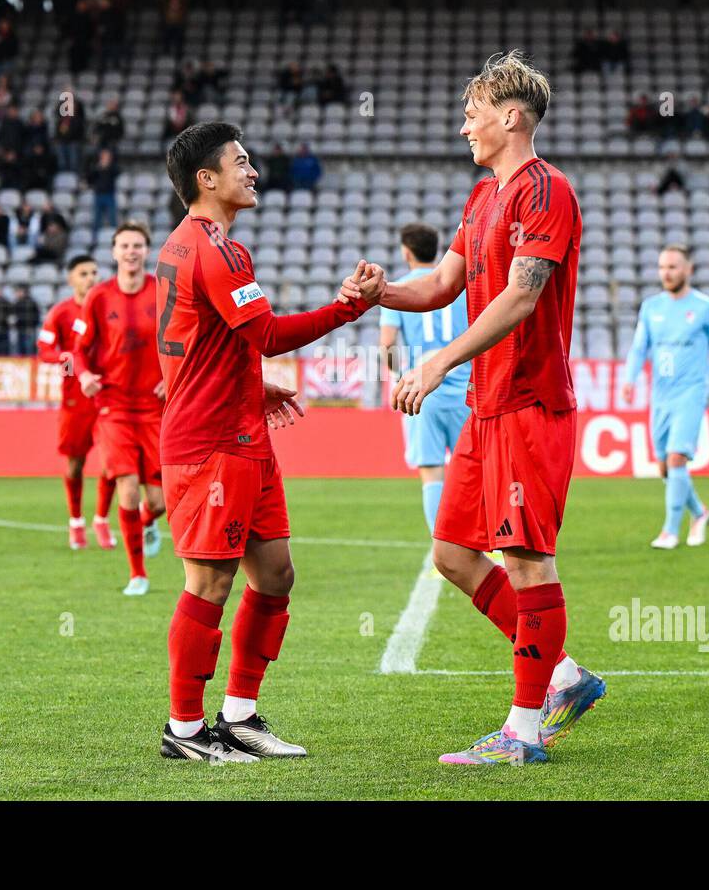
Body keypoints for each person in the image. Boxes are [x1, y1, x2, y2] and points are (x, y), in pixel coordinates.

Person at [345, 51, 603, 766]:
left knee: (525, 559)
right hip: (488, 408)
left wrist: (438, 360)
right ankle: (561, 675)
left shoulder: (545, 190)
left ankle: (522, 733)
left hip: (529, 401)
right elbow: (439, 286)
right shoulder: (482, 197)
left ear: (511, 116)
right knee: (455, 554)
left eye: (473, 112)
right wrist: (381, 293)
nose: (464, 126)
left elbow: (523, 295)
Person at [154, 121, 374, 762]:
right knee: (209, 583)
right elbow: (269, 333)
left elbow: (213, 343)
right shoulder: (213, 249)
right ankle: (185, 730)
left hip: (240, 428)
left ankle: (240, 714)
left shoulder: (194, 247)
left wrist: (255, 388)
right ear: (207, 178)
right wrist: (348, 307)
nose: (252, 171)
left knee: (275, 574)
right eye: (240, 161)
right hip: (210, 440)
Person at [621, 244, 709, 549]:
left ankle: (670, 531)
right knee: (664, 466)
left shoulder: (705, 307)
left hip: (691, 392)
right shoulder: (651, 307)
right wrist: (629, 378)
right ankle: (700, 512)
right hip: (660, 395)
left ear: (688, 269)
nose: (667, 273)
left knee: (676, 458)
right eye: (662, 267)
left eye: (673, 267)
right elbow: (639, 348)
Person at [70, 223, 167, 597]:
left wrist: (171, 378)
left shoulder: (162, 293)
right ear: (114, 252)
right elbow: (78, 349)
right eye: (124, 245)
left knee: (158, 502)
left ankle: (146, 523)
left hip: (154, 408)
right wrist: (83, 376)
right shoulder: (98, 297)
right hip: (112, 407)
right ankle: (137, 575)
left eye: (138, 245)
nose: (131, 251)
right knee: (126, 490)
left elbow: (181, 339)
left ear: (146, 252)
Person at [378, 223, 470, 540]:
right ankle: (485, 545)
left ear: (406, 253)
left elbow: (388, 343)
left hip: (421, 388)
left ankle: (442, 547)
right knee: (472, 471)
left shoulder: (399, 288)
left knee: (432, 472)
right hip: (464, 386)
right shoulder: (461, 286)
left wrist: (396, 375)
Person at [37, 255, 119, 551]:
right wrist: (67, 360)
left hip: (108, 395)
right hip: (75, 399)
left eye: (95, 272)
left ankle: (101, 518)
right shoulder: (60, 312)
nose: (91, 278)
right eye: (83, 273)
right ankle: (75, 522)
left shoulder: (111, 308)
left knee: (112, 463)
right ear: (71, 278)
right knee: (75, 465)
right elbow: (45, 350)